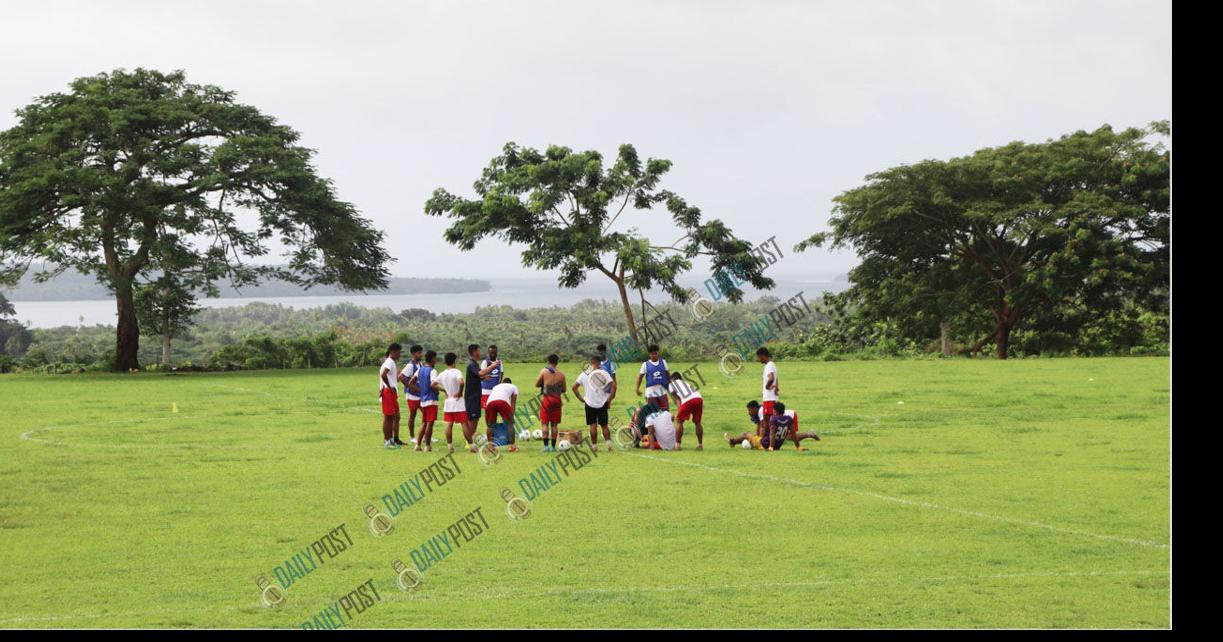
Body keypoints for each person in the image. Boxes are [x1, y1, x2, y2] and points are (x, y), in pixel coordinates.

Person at [726, 401, 820, 450]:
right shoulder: (762, 413)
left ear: (755, 408)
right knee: (788, 436)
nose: (749, 412)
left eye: (749, 410)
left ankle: (732, 441)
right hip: (788, 417)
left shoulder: (763, 412)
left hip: (788, 416)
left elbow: (764, 427)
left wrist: (760, 439)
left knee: (789, 436)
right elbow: (760, 426)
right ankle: (809, 434)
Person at [573, 354, 616, 452]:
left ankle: (594, 446)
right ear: (598, 363)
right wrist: (609, 399)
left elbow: (574, 388)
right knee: (604, 425)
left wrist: (581, 398)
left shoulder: (584, 374)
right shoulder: (603, 373)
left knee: (593, 425)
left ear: (591, 363)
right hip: (602, 403)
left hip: (589, 403)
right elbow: (614, 386)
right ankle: (609, 444)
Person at [433, 352, 473, 453]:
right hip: (458, 401)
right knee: (464, 423)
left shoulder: (442, 374)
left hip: (448, 402)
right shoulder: (456, 372)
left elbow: (433, 384)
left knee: (449, 424)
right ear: (454, 361)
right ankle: (471, 445)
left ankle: (450, 446)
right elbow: (462, 382)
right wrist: (459, 392)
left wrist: (444, 391)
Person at [533, 354, 566, 452]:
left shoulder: (544, 371)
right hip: (557, 399)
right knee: (554, 425)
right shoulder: (561, 374)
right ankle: (553, 447)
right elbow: (564, 389)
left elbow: (537, 384)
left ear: (548, 361)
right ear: (557, 362)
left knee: (545, 423)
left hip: (547, 399)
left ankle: (546, 446)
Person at [668, 371, 704, 450]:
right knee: (698, 422)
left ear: (672, 379)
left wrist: (679, 412)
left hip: (688, 400)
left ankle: (677, 445)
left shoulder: (672, 384)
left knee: (679, 421)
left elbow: (677, 399)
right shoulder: (686, 383)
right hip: (699, 398)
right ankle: (700, 444)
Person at [414, 350, 440, 452]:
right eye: (436, 358)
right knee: (430, 423)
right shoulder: (432, 371)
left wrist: (421, 391)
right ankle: (428, 446)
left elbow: (411, 381)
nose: (436, 360)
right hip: (431, 399)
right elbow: (433, 384)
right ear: (433, 358)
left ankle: (418, 445)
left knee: (424, 423)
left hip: (423, 400)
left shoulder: (420, 369)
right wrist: (442, 390)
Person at [378, 343, 403, 450]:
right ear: (392, 352)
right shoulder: (389, 362)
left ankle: (391, 439)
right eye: (398, 352)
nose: (399, 355)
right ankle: (387, 441)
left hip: (389, 392)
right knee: (388, 417)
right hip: (389, 392)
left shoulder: (390, 362)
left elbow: (386, 376)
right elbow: (383, 374)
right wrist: (389, 386)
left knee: (395, 416)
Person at [485, 377, 519, 452]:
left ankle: (490, 446)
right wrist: (511, 417)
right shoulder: (514, 387)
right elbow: (513, 402)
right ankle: (512, 446)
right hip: (502, 402)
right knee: (510, 424)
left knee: (490, 425)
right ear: (510, 383)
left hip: (490, 403)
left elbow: (492, 397)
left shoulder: (496, 387)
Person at [635, 344, 670, 411]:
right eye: (652, 354)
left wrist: (671, 386)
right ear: (649, 355)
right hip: (651, 393)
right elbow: (640, 377)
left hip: (662, 392)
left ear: (658, 353)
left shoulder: (663, 362)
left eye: (656, 353)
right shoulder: (645, 364)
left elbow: (668, 375)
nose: (654, 355)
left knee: (666, 412)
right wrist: (637, 388)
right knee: (652, 413)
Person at [401, 344, 424, 445]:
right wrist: (411, 387)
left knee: (426, 415)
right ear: (414, 354)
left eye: (421, 352)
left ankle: (426, 434)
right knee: (413, 415)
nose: (421, 354)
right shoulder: (410, 365)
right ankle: (412, 437)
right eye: (419, 353)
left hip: (420, 394)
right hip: (412, 395)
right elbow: (402, 377)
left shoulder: (421, 364)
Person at [464, 344, 485, 441]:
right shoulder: (471, 364)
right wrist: (493, 365)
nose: (480, 353)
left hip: (475, 397)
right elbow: (480, 373)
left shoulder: (475, 364)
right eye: (479, 351)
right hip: (472, 397)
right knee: (472, 420)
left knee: (475, 419)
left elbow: (479, 376)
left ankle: (470, 441)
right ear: (474, 352)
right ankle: (469, 442)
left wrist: (484, 377)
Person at [758, 347, 779, 431]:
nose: (759, 359)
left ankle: (768, 442)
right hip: (772, 397)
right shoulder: (772, 364)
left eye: (759, 357)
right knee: (772, 421)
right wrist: (776, 386)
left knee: (768, 422)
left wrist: (767, 387)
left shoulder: (768, 366)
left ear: (763, 356)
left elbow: (771, 378)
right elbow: (776, 378)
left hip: (769, 398)